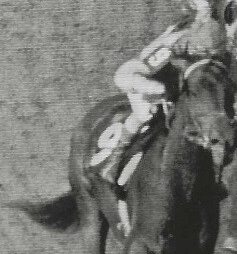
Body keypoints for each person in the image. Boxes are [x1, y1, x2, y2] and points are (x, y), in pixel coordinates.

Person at [89, 13, 229, 190]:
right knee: (147, 112)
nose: (211, 59)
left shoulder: (212, 45)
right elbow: (139, 71)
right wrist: (154, 89)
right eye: (207, 53)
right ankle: (114, 157)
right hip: (142, 76)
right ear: (195, 45)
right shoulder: (173, 46)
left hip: (175, 84)